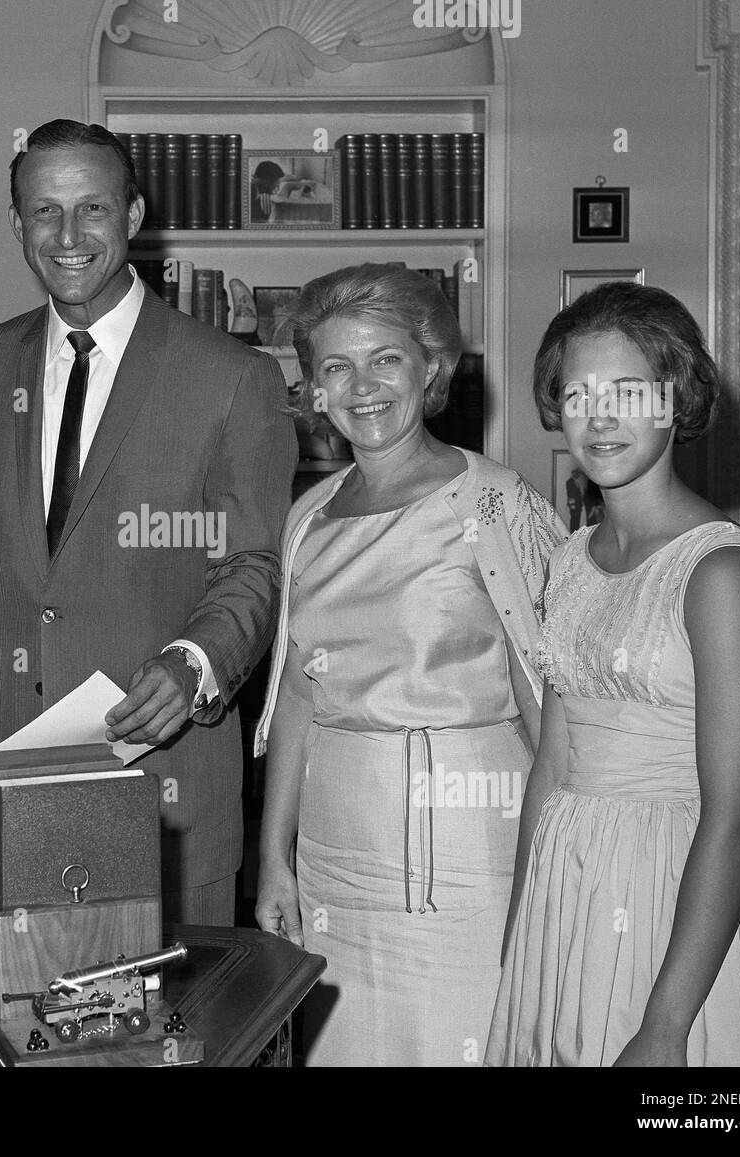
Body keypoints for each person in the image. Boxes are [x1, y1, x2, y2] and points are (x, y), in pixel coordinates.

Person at [0, 120, 295, 925]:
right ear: (18, 224)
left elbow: (253, 566)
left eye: (91, 208)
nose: (68, 235)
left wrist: (195, 662)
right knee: (19, 1039)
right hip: (13, 787)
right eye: (44, 212)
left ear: (132, 215)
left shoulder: (235, 379)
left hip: (166, 788)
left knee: (168, 1042)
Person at [253, 263, 566, 1064]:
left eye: (385, 359)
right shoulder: (309, 516)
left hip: (471, 857)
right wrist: (274, 860)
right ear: (315, 390)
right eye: (335, 367)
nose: (362, 387)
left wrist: (549, 883)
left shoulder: (493, 502)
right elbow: (296, 693)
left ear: (431, 366)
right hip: (333, 861)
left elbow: (552, 711)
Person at [486, 282, 740, 1067]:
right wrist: (523, 935)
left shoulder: (721, 571)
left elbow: (736, 813)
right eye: (578, 392)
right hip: (567, 886)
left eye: (628, 390)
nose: (599, 414)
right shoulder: (568, 558)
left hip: (674, 901)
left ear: (676, 399)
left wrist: (665, 1025)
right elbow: (551, 763)